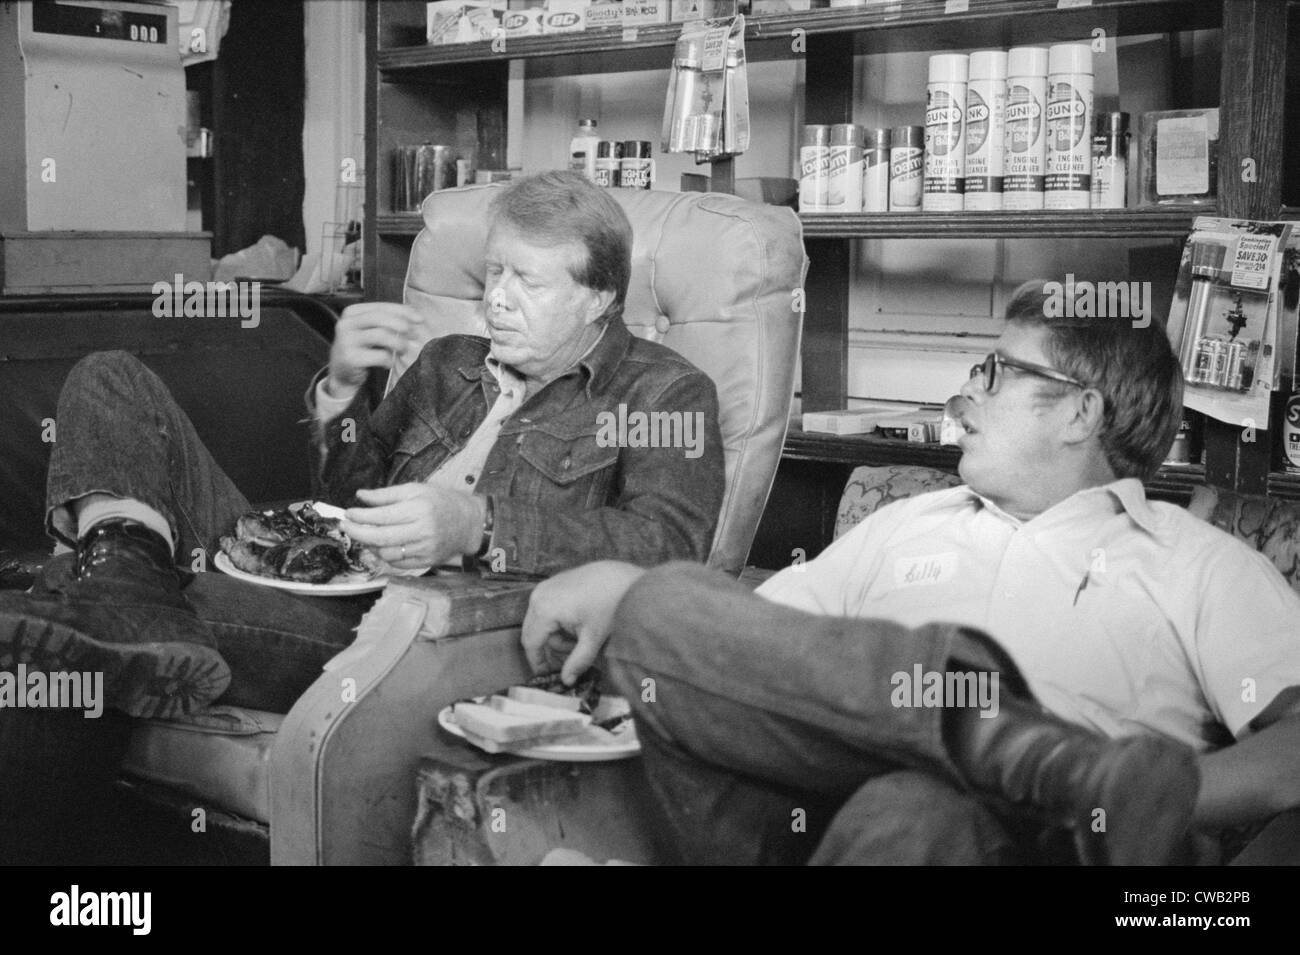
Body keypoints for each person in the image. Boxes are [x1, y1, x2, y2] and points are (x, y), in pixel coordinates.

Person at [520, 279, 1300, 865]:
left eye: (995, 372)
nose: (961, 396)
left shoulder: (1193, 562)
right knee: (659, 605)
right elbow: (761, 657)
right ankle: (1055, 763)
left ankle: (1066, 778)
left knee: (918, 810)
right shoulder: (908, 520)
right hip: (808, 821)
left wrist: (1167, 798)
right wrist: (629, 593)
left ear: (1080, 413)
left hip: (1046, 848)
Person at [0, 170, 723, 722]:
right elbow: (346, 504)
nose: (495, 299)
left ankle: (111, 595)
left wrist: (478, 524)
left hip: (424, 636)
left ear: (598, 297)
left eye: (526, 281)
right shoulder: (449, 362)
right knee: (109, 378)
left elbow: (670, 547)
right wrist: (341, 390)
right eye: (494, 272)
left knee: (136, 593)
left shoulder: (662, 394)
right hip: (326, 574)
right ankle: (120, 587)